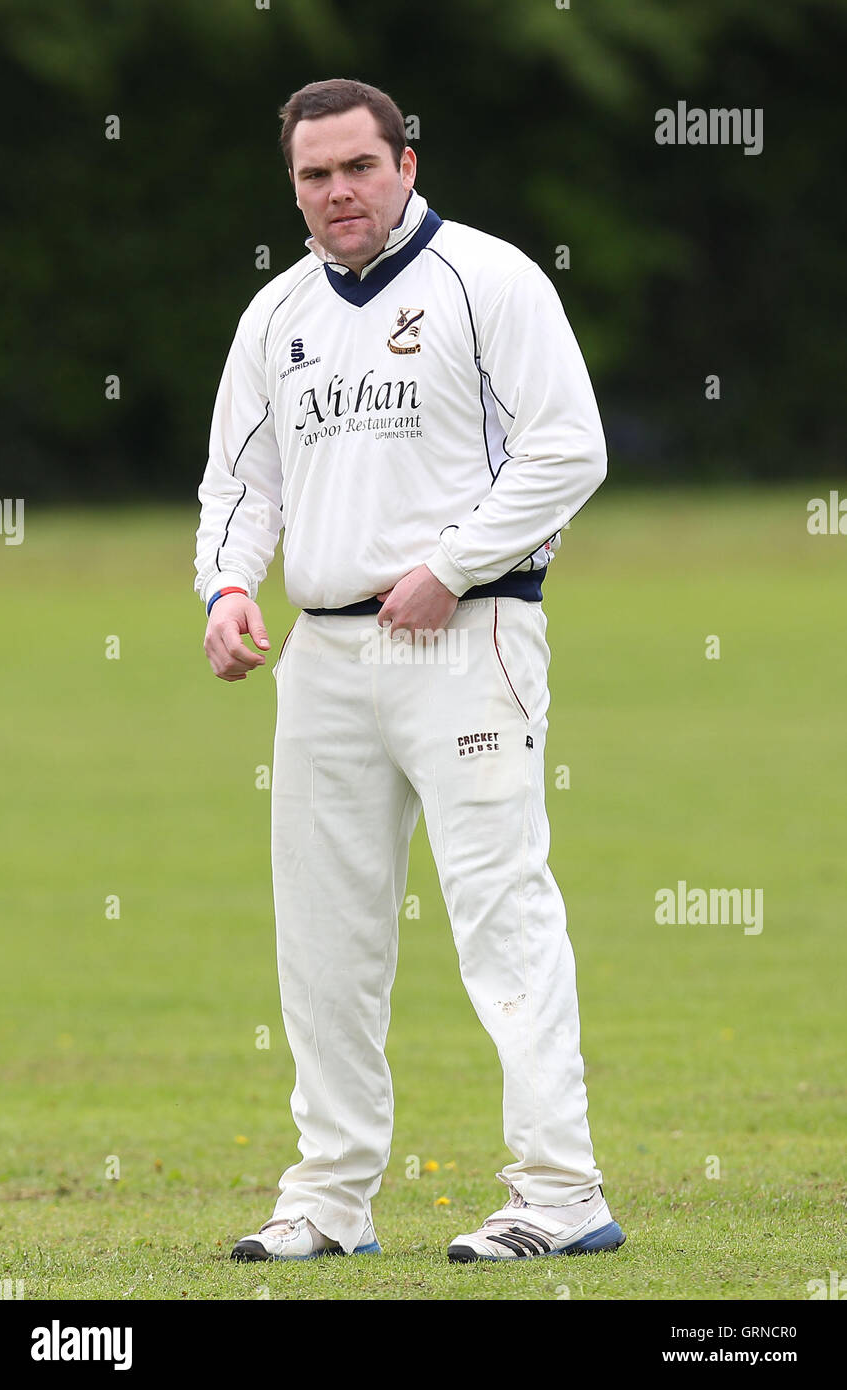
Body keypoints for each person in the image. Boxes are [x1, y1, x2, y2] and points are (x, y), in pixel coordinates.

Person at [194, 78, 625, 1264]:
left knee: (500, 913)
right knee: (323, 936)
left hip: (468, 634)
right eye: (312, 176)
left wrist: (450, 562)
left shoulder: (487, 281)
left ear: (406, 165)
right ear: (292, 187)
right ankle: (328, 1200)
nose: (336, 193)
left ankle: (558, 1189)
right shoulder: (275, 312)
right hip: (321, 655)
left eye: (356, 168)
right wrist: (227, 590)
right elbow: (241, 484)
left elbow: (565, 448)